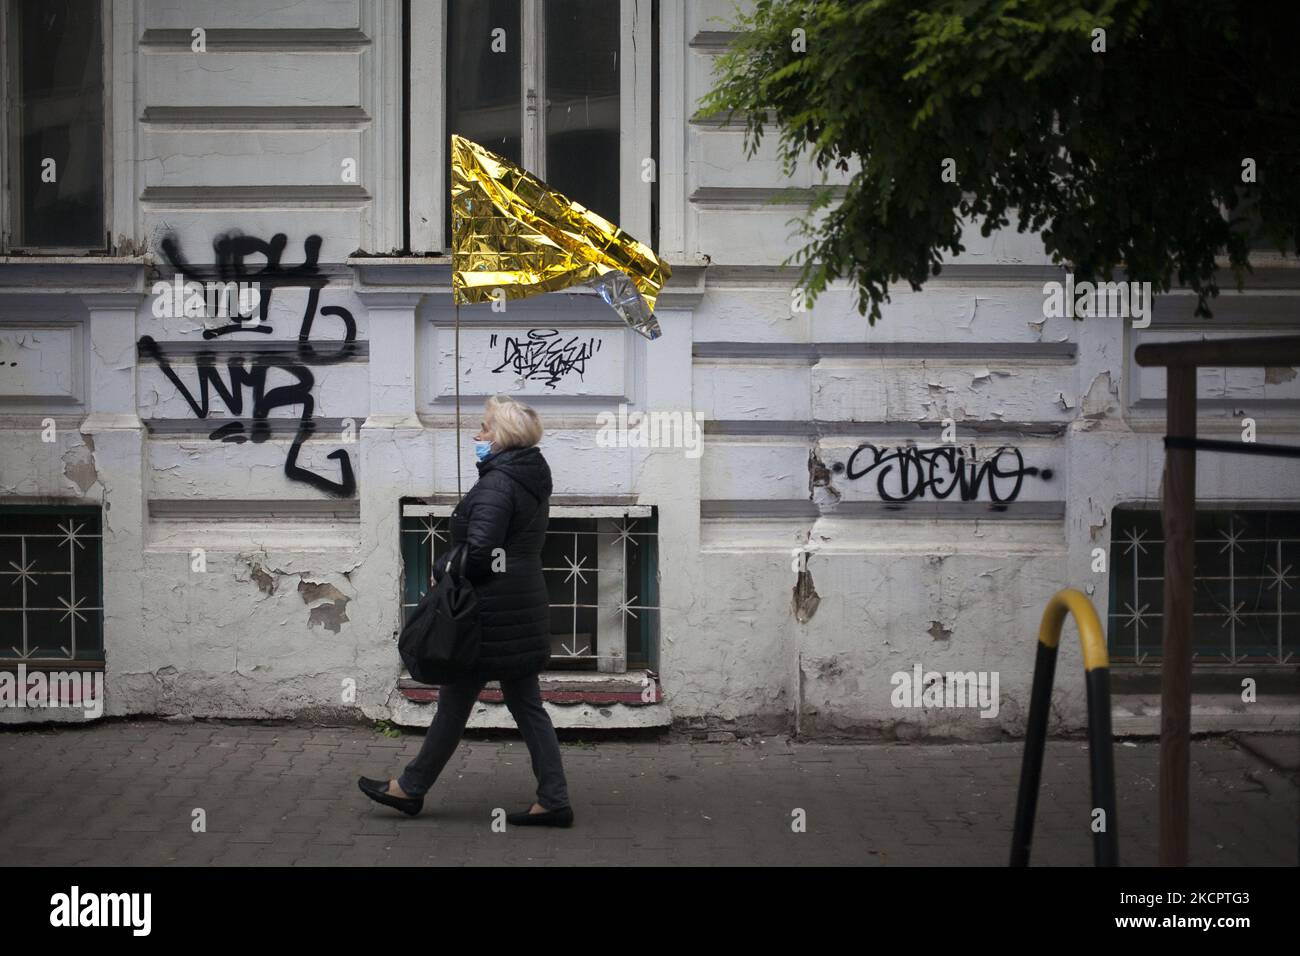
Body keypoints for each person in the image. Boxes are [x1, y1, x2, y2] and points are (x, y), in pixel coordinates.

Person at [359, 394, 573, 827]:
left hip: (487, 615)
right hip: (517, 607)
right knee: (524, 706)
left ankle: (411, 789)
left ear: (503, 437)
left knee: (458, 704)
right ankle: (553, 799)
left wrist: (442, 567)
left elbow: (482, 552)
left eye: (485, 428)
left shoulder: (499, 483)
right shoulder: (529, 476)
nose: (477, 435)